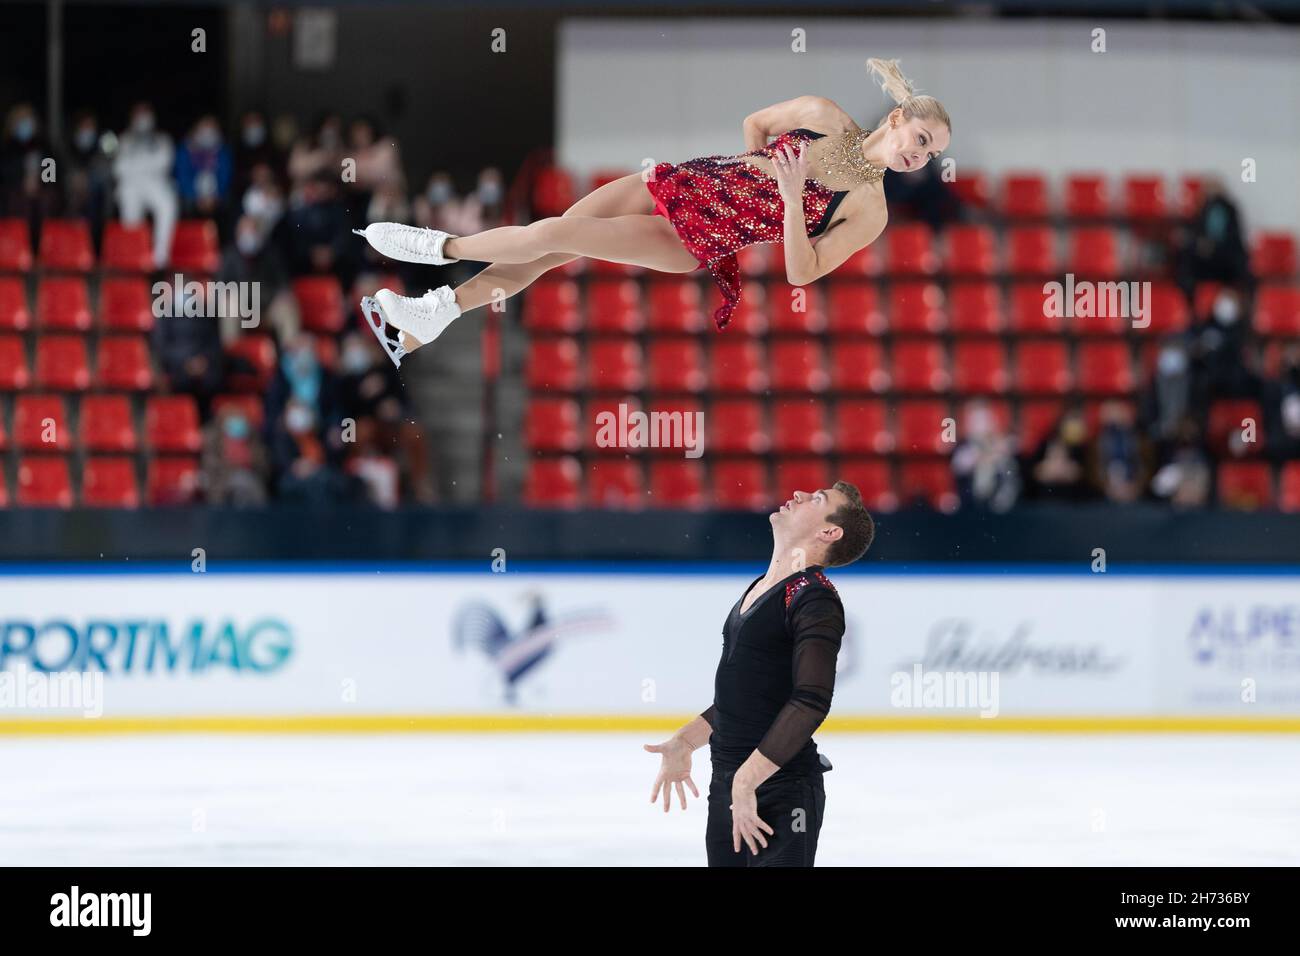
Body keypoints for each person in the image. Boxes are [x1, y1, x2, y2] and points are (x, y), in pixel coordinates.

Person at [353, 58, 952, 368]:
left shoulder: (870, 209)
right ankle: (426, 321)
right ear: (897, 118)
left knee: (556, 232)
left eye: (931, 155)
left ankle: (437, 249)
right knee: (551, 247)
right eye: (922, 140)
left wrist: (789, 202)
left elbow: (803, 271)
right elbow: (759, 123)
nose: (919, 158)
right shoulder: (823, 114)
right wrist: (747, 172)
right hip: (687, 181)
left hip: (696, 237)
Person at [643, 481, 874, 867]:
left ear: (829, 532)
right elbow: (751, 696)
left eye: (817, 500)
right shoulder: (762, 588)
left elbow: (812, 699)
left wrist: (749, 779)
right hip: (730, 786)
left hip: (780, 792)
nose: (799, 495)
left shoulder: (814, 597)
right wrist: (686, 742)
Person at [112, 102, 178, 269]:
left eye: (145, 114)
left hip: (155, 182)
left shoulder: (162, 139)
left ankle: (160, 258)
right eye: (138, 114)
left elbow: (164, 162)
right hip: (131, 184)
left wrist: (135, 164)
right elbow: (118, 168)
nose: (142, 119)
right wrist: (146, 164)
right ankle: (134, 257)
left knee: (167, 206)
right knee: (129, 208)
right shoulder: (125, 139)